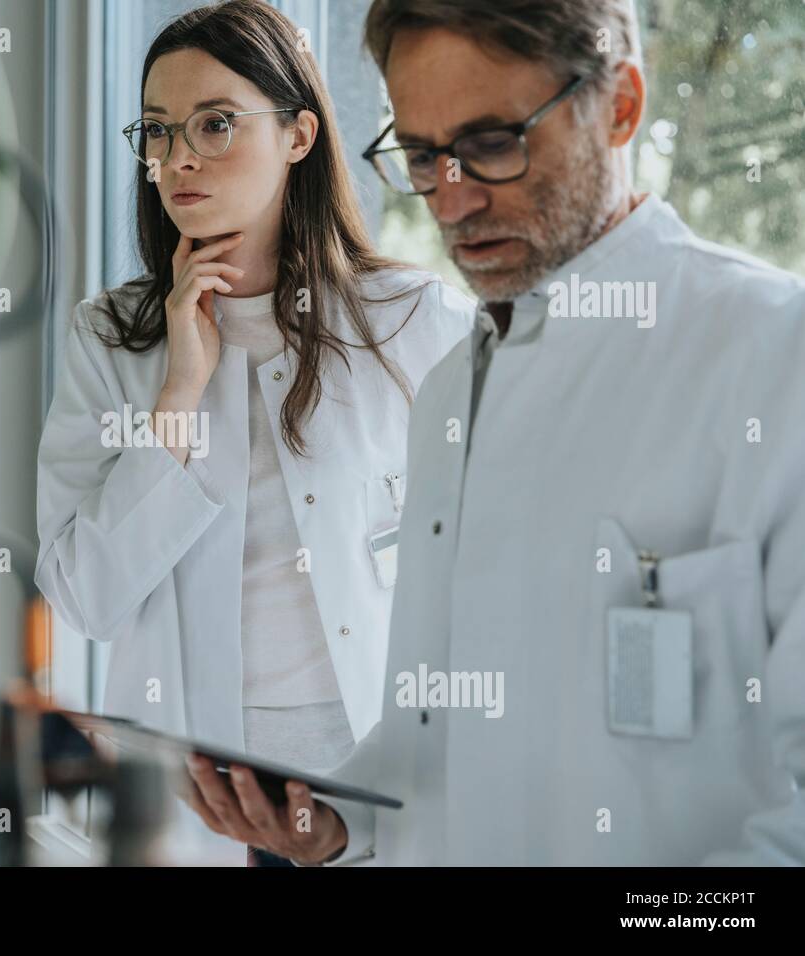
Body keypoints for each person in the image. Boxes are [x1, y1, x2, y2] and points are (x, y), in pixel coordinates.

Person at [181, 0, 805, 866]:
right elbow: (431, 730)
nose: (452, 196)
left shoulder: (776, 355)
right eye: (422, 154)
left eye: (491, 145)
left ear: (620, 105)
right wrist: (340, 825)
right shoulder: (447, 398)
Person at [33, 0, 471, 861]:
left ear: (299, 136)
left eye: (217, 123)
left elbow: (482, 573)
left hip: (374, 793)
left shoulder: (413, 323)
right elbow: (82, 595)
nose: (179, 158)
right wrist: (180, 395)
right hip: (198, 803)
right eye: (158, 132)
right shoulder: (112, 336)